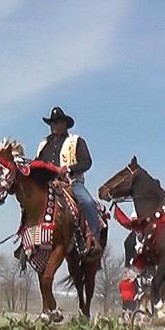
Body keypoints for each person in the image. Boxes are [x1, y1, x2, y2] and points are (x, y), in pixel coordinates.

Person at [36, 107, 102, 253]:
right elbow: (38, 164)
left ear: (65, 124)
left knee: (87, 202)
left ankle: (93, 238)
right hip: (49, 184)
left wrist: (69, 169)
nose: (54, 126)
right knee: (30, 202)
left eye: (58, 122)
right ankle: (28, 241)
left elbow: (86, 162)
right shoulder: (43, 145)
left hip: (72, 183)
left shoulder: (76, 141)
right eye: (52, 123)